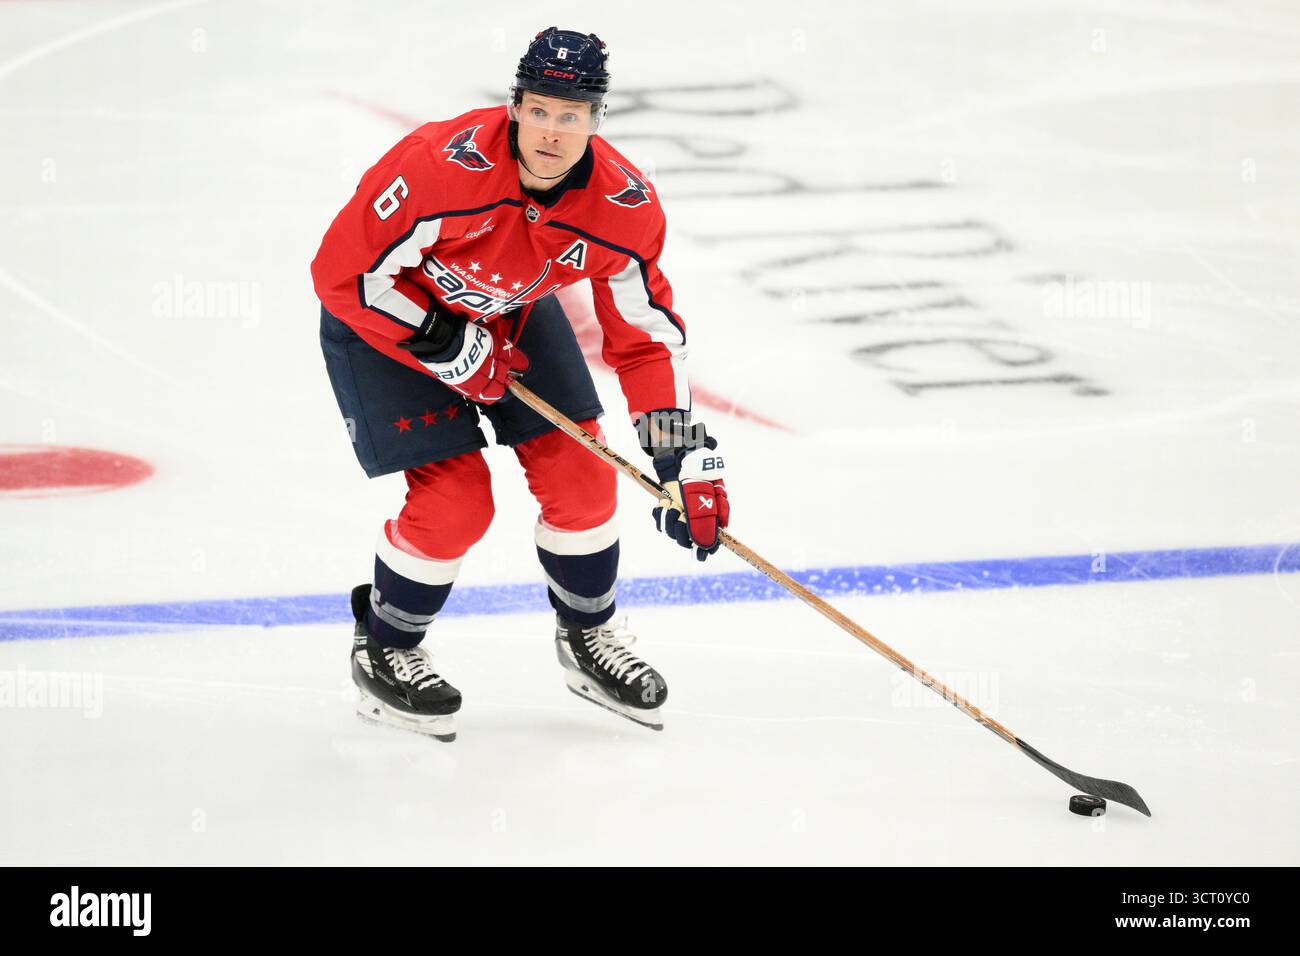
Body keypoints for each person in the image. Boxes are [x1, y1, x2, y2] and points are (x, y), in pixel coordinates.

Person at [310, 27, 730, 741]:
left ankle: (588, 636)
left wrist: (678, 452)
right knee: (457, 503)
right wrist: (441, 341)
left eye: (571, 116)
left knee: (585, 477)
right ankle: (387, 644)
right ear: (514, 108)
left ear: (598, 121)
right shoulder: (440, 169)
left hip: (507, 311)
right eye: (539, 110)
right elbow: (343, 274)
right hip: (384, 326)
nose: (552, 131)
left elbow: (645, 338)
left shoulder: (623, 208)